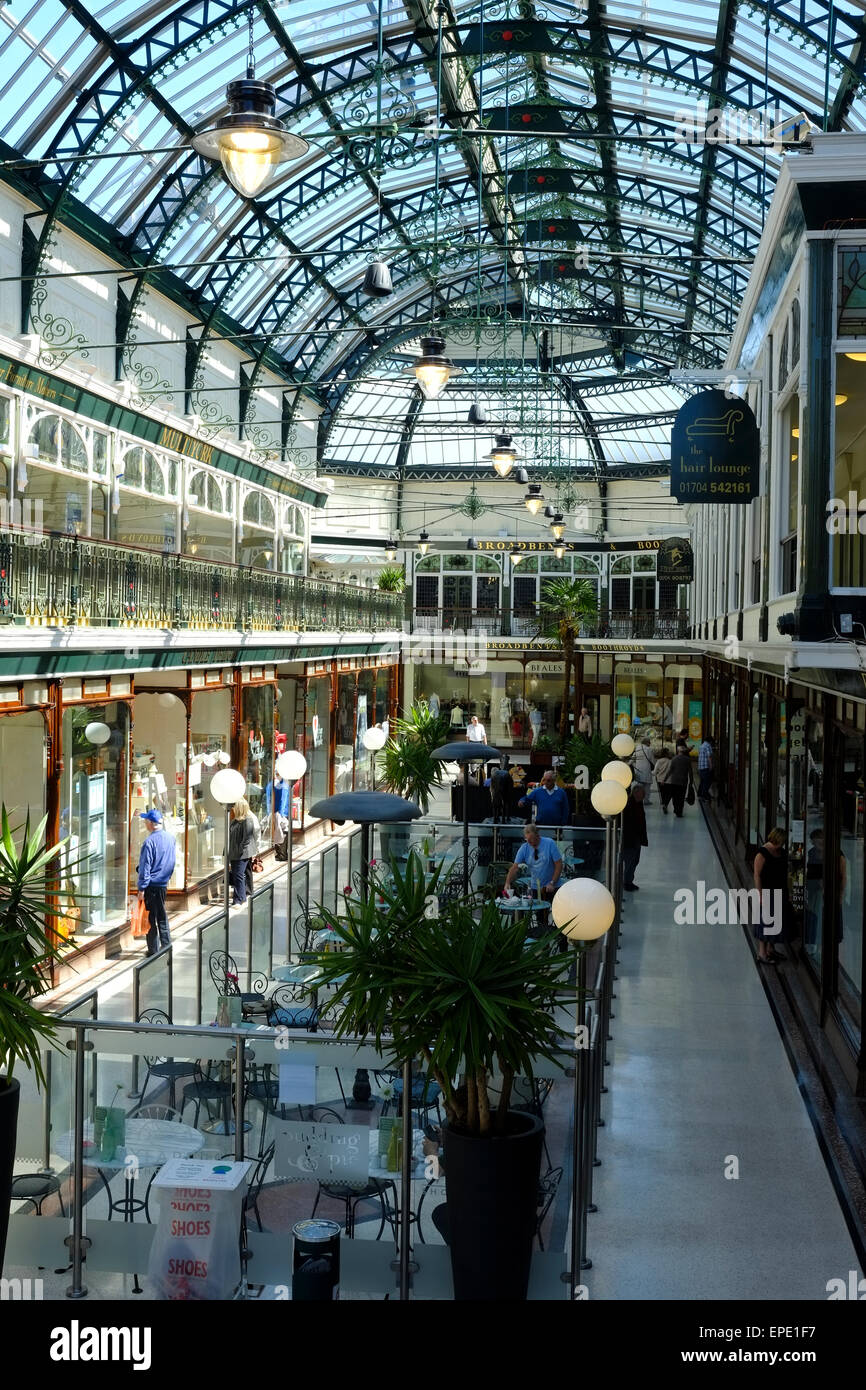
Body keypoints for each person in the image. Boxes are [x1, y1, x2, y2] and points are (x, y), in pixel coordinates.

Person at [137, 809, 176, 956]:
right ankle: (166, 947)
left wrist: (141, 889)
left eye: (146, 821)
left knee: (151, 919)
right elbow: (172, 861)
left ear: (151, 824)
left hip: (151, 886)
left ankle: (154, 950)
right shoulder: (170, 838)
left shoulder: (149, 842)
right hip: (162, 884)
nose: (144, 823)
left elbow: (145, 867)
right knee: (161, 916)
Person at [753, 827, 793, 964]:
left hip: (780, 891)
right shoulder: (762, 853)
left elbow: (785, 874)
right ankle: (762, 953)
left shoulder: (781, 852)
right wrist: (760, 894)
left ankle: (771, 949)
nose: (781, 845)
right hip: (767, 891)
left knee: (776, 921)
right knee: (765, 922)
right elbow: (757, 875)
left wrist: (787, 892)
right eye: (780, 842)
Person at [503, 824, 563, 900]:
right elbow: (515, 867)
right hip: (535, 887)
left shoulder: (549, 843)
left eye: (532, 839)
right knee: (537, 910)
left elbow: (559, 864)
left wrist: (552, 882)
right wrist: (507, 883)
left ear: (538, 836)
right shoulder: (524, 848)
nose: (530, 843)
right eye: (528, 840)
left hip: (553, 886)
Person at [228, 797, 261, 905]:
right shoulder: (235, 821)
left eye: (234, 807)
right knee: (241, 874)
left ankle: (239, 899)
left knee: (238, 875)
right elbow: (230, 837)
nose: (233, 808)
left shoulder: (248, 820)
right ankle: (243, 895)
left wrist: (239, 851)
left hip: (241, 854)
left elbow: (246, 839)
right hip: (235, 853)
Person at [621, 785, 648, 891]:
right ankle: (626, 882)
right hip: (630, 839)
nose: (644, 796)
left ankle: (629, 881)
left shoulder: (638, 803)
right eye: (642, 794)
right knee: (630, 861)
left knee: (634, 861)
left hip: (636, 838)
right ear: (636, 793)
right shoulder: (629, 804)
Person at [666, 745, 694, 818]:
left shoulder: (674, 759)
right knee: (681, 797)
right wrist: (691, 781)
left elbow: (670, 770)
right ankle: (679, 811)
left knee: (675, 796)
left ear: (678, 751)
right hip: (683, 781)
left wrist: (665, 779)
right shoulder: (687, 759)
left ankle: (675, 809)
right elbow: (690, 771)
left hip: (674, 781)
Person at [632, 739, 655, 804]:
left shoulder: (637, 748)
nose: (650, 744)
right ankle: (646, 800)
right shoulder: (649, 749)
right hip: (646, 770)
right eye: (649, 743)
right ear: (647, 743)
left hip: (639, 770)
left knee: (639, 785)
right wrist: (655, 767)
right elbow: (652, 760)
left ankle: (637, 798)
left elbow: (633, 758)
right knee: (647, 786)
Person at [654, 745, 673, 813]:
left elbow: (655, 771)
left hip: (659, 780)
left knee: (662, 793)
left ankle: (664, 804)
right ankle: (665, 804)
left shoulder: (659, 761)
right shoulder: (670, 761)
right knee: (669, 793)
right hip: (669, 780)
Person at [698, 736, 715, 801]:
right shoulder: (708, 746)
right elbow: (709, 757)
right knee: (707, 782)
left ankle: (700, 794)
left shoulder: (701, 745)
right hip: (706, 766)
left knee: (702, 781)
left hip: (701, 766)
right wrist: (711, 765)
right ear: (710, 741)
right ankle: (704, 795)